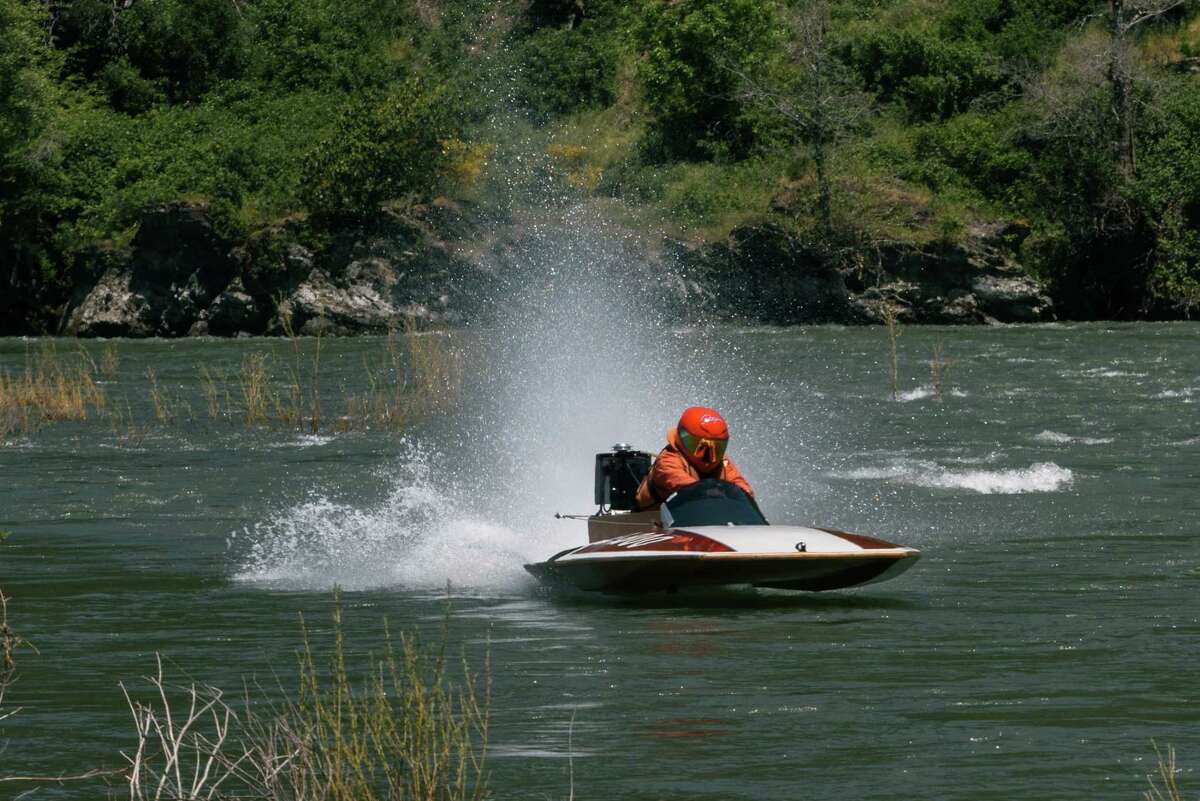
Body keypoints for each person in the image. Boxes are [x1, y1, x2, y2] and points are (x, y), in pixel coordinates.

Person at [634, 406, 754, 510]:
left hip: (696, 518)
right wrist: (716, 492)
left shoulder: (722, 462)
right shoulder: (668, 461)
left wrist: (739, 496)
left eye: (717, 448)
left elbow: (743, 489)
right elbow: (685, 485)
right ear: (682, 438)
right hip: (653, 521)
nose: (708, 457)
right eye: (700, 447)